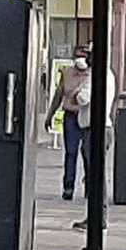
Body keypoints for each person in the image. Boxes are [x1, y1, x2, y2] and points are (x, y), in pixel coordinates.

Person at [71, 54, 117, 231]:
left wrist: (75, 93)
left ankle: (97, 218)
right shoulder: (109, 74)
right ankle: (96, 216)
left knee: (95, 176)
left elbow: (83, 98)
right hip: (103, 128)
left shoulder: (96, 75)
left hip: (94, 129)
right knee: (95, 175)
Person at [46, 46, 92, 200]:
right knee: (71, 153)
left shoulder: (92, 74)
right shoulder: (67, 73)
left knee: (88, 154)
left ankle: (89, 187)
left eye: (83, 55)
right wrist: (50, 115)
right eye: (78, 55)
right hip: (71, 117)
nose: (80, 58)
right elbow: (58, 95)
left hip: (86, 117)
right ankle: (68, 187)